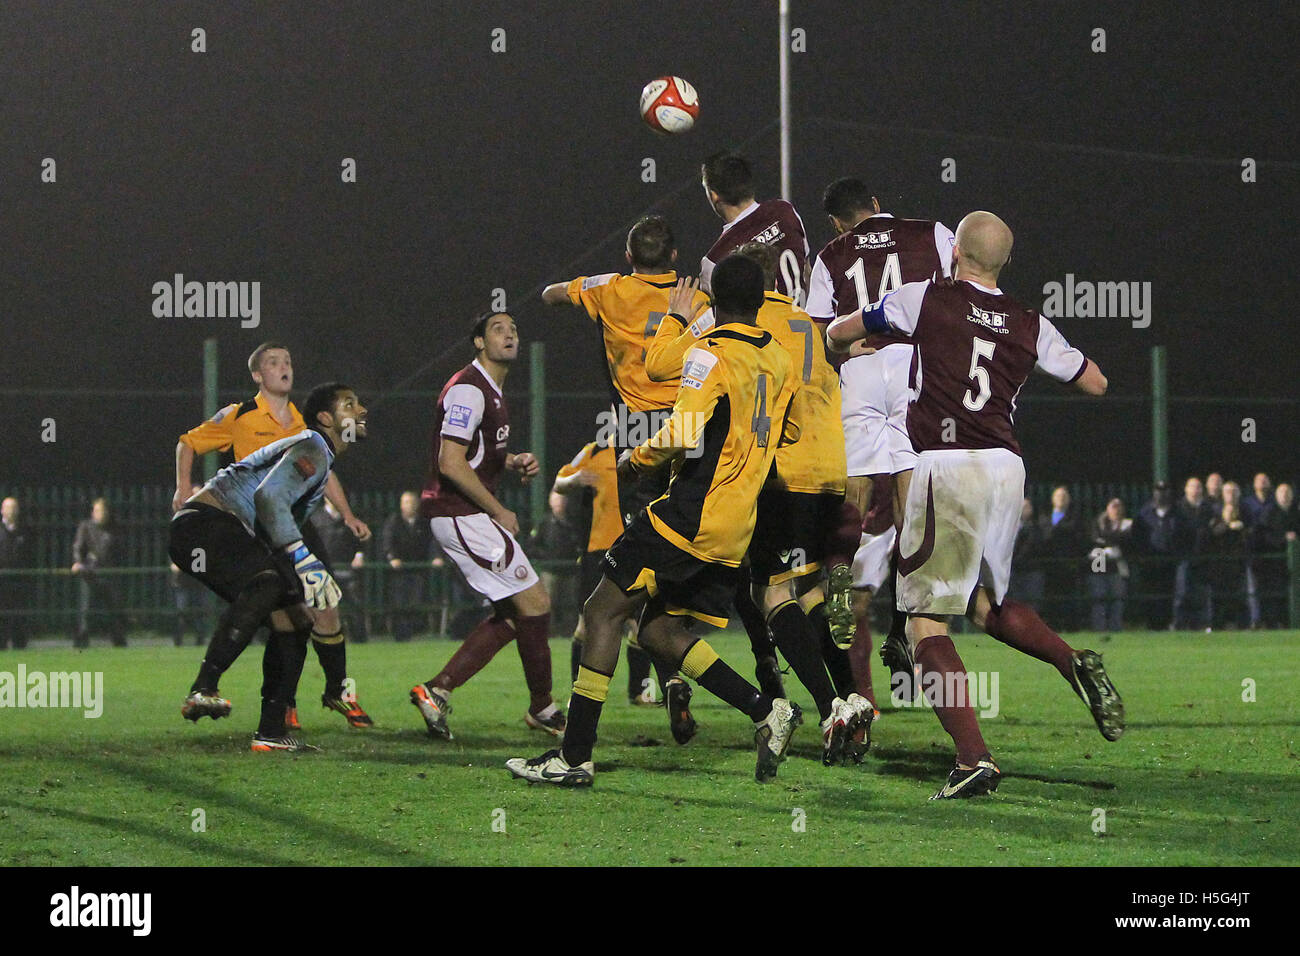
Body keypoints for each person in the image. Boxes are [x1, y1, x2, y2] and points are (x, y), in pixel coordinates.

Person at [828, 210, 1122, 799]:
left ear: (954, 252)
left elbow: (841, 329)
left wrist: (855, 340)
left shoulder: (926, 298)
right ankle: (1072, 661)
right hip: (1006, 469)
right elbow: (1096, 382)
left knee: (924, 623)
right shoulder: (1028, 322)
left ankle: (973, 758)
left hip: (946, 465)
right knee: (987, 605)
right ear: (1005, 261)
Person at [508, 254, 802, 787]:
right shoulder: (779, 358)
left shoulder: (709, 353)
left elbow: (679, 421)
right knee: (660, 629)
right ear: (760, 302)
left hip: (688, 514)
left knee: (601, 614)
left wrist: (635, 459)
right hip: (737, 523)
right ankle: (766, 710)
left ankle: (573, 759)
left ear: (714, 302)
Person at [645, 240, 872, 765]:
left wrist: (678, 320)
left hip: (783, 473)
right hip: (832, 469)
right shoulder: (804, 320)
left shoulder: (733, 324)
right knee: (808, 591)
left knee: (770, 593)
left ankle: (828, 705)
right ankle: (851, 697)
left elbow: (659, 367)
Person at [541, 216, 714, 739]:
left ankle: (585, 727)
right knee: (675, 562)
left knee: (633, 571)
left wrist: (600, 285)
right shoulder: (698, 301)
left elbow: (550, 294)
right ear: (676, 256)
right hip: (691, 432)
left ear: (629, 255)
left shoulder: (610, 290)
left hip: (638, 437)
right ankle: (678, 678)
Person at [803, 176, 956, 694]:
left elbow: (816, 328)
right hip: (914, 360)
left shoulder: (830, 255)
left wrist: (842, 353)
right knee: (911, 491)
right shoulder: (931, 232)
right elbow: (961, 289)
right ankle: (906, 612)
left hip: (862, 364)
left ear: (836, 220)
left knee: (860, 488)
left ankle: (841, 578)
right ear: (876, 203)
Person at [174, 341, 372, 727]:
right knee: (269, 587)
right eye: (350, 405)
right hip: (230, 522)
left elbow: (316, 477)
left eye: (288, 360)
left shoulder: (303, 426)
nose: (361, 410)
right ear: (257, 375)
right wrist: (182, 488)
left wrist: (345, 514)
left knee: (303, 613)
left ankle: (280, 721)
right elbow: (264, 492)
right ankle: (206, 687)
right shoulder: (246, 416)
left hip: (274, 524)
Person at [409, 312, 565, 741]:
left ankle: (437, 690)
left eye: (514, 327)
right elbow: (450, 461)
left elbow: (472, 452)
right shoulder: (469, 389)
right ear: (478, 342)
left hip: (464, 514)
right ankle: (544, 708)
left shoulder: (489, 390)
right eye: (498, 329)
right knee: (535, 602)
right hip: (460, 513)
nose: (510, 333)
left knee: (518, 613)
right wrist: (499, 509)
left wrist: (510, 460)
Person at [553, 438, 660, 705]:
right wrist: (576, 479)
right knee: (586, 624)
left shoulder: (648, 448)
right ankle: (579, 693)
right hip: (597, 550)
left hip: (634, 547)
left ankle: (639, 692)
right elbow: (559, 484)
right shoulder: (594, 450)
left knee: (641, 624)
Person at [699, 151, 810, 302]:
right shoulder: (785, 211)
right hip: (801, 321)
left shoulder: (714, 259)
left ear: (714, 195)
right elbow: (807, 271)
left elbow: (720, 317)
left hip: (763, 325)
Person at [71, 498, 127, 648]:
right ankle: (82, 640)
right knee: (86, 610)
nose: (101, 514)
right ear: (93, 513)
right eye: (97, 511)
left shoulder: (114, 528)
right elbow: (78, 546)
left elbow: (121, 550)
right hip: (90, 574)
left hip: (110, 574)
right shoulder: (86, 527)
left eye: (103, 511)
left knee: (114, 610)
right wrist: (79, 562)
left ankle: (118, 640)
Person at [382, 491, 434, 642]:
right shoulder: (394, 521)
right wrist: (392, 558)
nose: (408, 505)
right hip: (399, 571)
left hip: (418, 569)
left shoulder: (423, 523)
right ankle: (400, 633)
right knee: (399, 602)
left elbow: (431, 543)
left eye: (411, 502)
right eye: (405, 502)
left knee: (416, 600)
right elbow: (387, 541)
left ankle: (414, 630)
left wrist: (435, 557)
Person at [1133, 481, 1182, 629]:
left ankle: (1167, 623)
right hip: (1150, 562)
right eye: (1158, 491)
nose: (1161, 494)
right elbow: (1137, 536)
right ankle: (1152, 623)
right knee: (1151, 594)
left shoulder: (1177, 512)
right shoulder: (1144, 513)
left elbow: (1184, 535)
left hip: (1170, 561)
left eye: (1165, 490)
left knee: (1169, 594)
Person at [1039, 485, 1084, 630]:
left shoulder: (1074, 518)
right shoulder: (1044, 517)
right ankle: (1053, 626)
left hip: (1067, 563)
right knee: (1051, 597)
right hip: (1049, 564)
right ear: (1053, 499)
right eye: (1058, 496)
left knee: (1068, 596)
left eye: (1064, 497)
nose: (1061, 499)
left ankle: (1071, 626)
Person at [1174, 477, 1215, 629]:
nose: (1195, 490)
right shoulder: (1178, 508)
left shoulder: (1207, 508)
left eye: (1198, 487)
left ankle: (1203, 623)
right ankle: (1180, 623)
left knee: (1203, 591)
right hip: (1185, 556)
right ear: (1186, 489)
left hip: (1203, 556)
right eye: (1192, 486)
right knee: (1182, 591)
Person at [1253, 483, 1297, 627]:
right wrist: (1283, 539)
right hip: (1273, 563)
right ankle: (1271, 622)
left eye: (1287, 492)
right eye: (1282, 493)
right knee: (1273, 593)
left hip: (1294, 563)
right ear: (1276, 495)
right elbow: (1263, 535)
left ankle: (1290, 621)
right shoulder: (1269, 512)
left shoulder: (1295, 512)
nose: (1285, 496)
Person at [1207, 484, 1249, 629]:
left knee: (1239, 598)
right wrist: (1227, 526)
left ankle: (1241, 624)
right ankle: (1216, 624)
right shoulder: (1216, 520)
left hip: (1237, 567)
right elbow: (1213, 535)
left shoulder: (1243, 520)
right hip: (1220, 568)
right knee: (1218, 598)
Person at [1088, 498, 1132, 631]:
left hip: (1118, 567)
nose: (1116, 510)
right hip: (1099, 565)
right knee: (1099, 597)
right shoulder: (1098, 522)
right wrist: (1112, 541)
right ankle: (1099, 627)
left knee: (1117, 598)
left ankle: (1116, 627)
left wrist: (1105, 541)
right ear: (1108, 508)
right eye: (1113, 507)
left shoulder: (1127, 523)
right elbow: (1094, 539)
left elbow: (1126, 539)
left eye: (1118, 507)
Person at [0, 497, 32, 650]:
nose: (10, 511)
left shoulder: (25, 530)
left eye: (13, 508)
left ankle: (20, 647)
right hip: (2, 581)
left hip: (19, 581)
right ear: (2, 510)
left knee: (19, 616)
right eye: (7, 507)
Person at [1008, 498, 1046, 608]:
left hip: (1031, 569)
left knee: (1032, 603)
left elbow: (1032, 546)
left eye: (1026, 507)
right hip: (1012, 570)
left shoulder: (1036, 527)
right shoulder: (1007, 527)